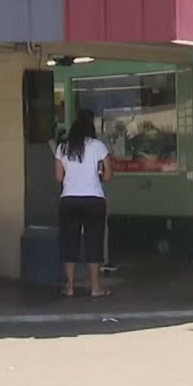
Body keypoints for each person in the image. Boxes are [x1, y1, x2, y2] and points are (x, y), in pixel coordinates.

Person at [53, 110, 114, 298]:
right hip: (94, 200)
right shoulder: (98, 146)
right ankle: (95, 288)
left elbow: (58, 177)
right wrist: (98, 176)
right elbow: (109, 175)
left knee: (69, 242)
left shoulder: (62, 148)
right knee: (93, 243)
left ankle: (70, 287)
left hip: (69, 200)